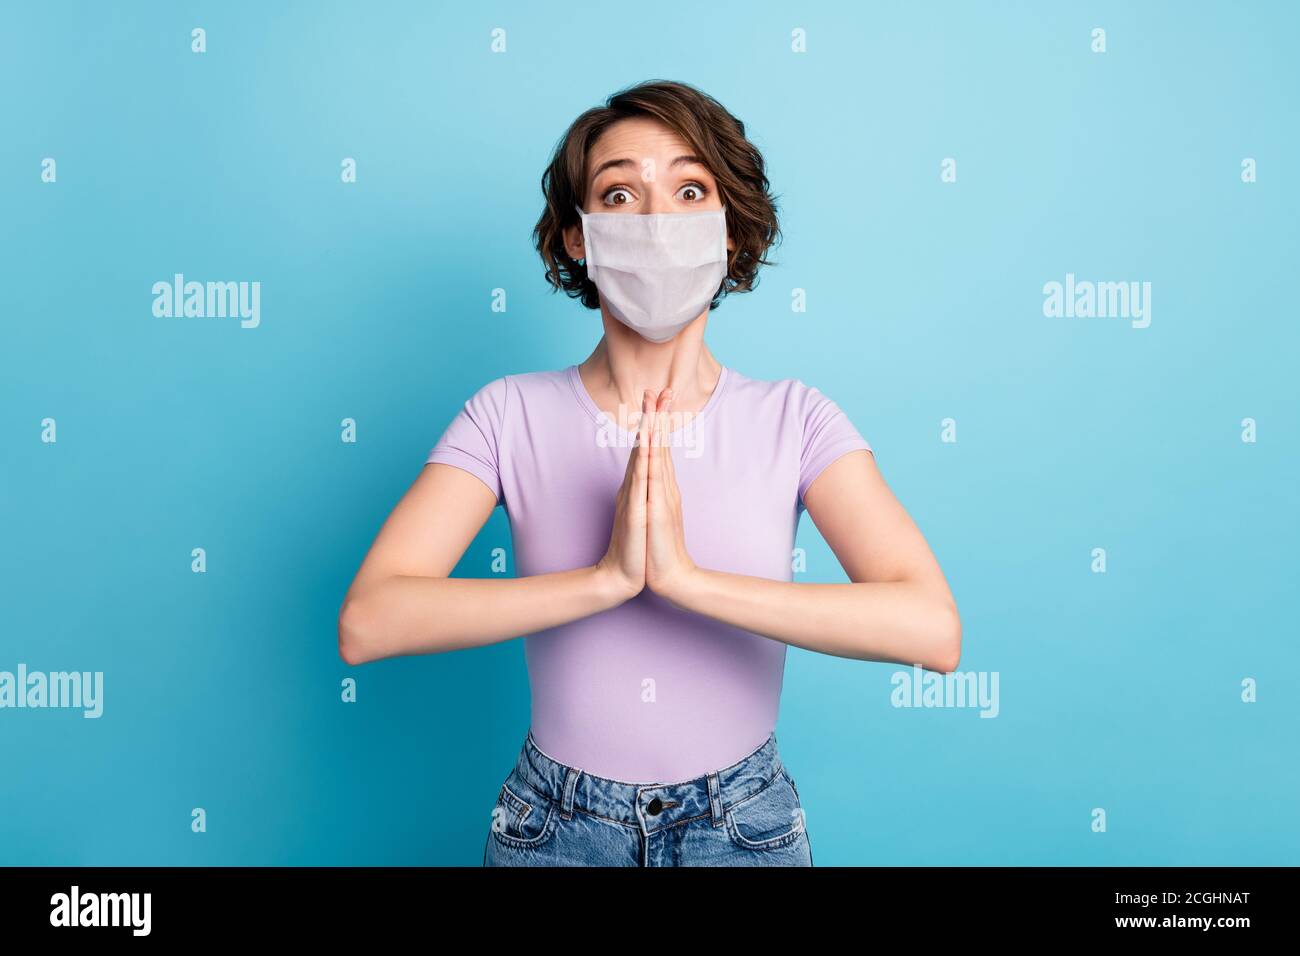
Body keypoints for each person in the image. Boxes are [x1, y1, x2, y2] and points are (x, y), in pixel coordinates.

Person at [337, 80, 961, 867]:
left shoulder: (796, 419)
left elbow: (933, 630)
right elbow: (368, 622)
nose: (658, 220)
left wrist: (686, 581)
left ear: (731, 233)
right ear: (577, 238)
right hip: (551, 829)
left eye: (691, 189)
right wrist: (605, 579)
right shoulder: (507, 415)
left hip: (742, 828)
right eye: (620, 192)